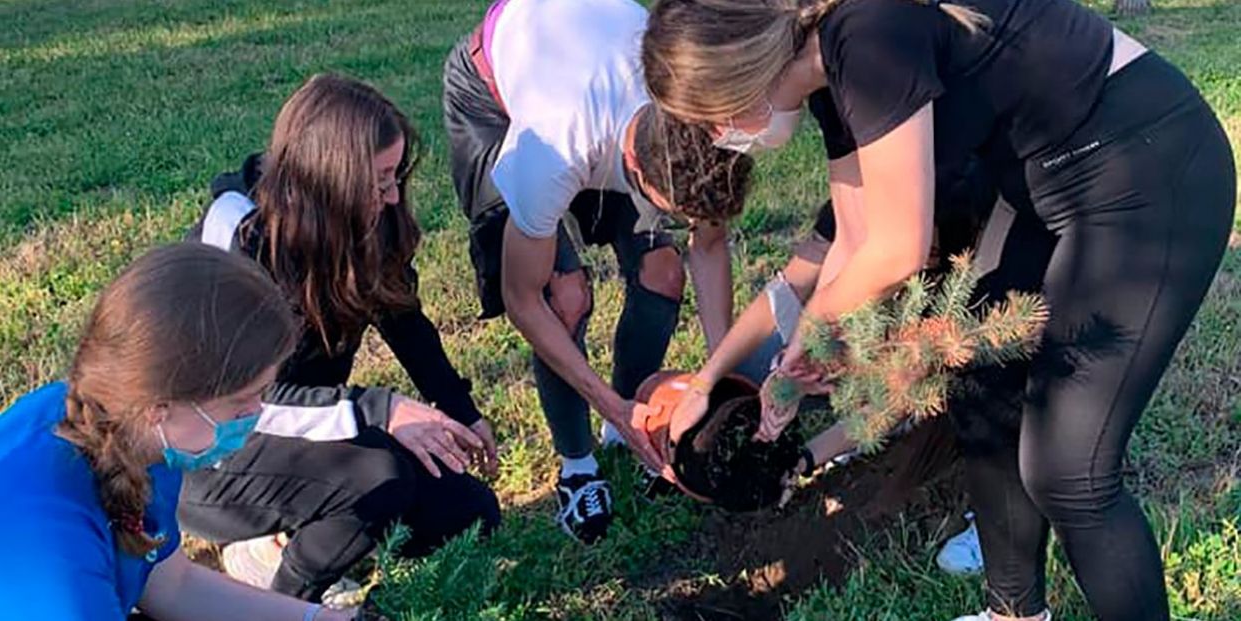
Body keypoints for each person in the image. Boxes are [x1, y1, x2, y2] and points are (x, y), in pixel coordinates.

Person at [641, 1, 1236, 620]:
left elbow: (899, 246)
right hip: (1045, 184)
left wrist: (811, 335)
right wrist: (802, 362)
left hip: (1145, 168)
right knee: (982, 391)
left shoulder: (866, 36)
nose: (721, 140)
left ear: (739, 76)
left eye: (710, 122)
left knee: (1069, 471)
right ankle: (1014, 613)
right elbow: (854, 239)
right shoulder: (829, 76)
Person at [182, 73, 501, 602]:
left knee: (470, 514)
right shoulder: (237, 233)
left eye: (396, 176)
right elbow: (234, 402)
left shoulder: (366, 217)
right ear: (331, 175)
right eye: (380, 181)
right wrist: (381, 411)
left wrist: (459, 408)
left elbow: (404, 319)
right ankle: (279, 596)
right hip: (215, 453)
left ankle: (310, 529)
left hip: (314, 428)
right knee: (381, 473)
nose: (393, 194)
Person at [442, 0, 752, 542]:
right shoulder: (554, 152)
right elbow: (523, 300)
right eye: (669, 210)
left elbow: (709, 242)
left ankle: (625, 431)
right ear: (633, 170)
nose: (678, 222)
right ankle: (577, 467)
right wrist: (603, 397)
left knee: (662, 271)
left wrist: (717, 375)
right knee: (563, 297)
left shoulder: (700, 109)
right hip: (491, 91)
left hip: (599, 69)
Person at [0, 243, 381, 621]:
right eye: (243, 401)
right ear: (160, 406)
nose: (258, 412)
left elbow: (172, 586)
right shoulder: (54, 555)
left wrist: (319, 619)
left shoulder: (128, 431)